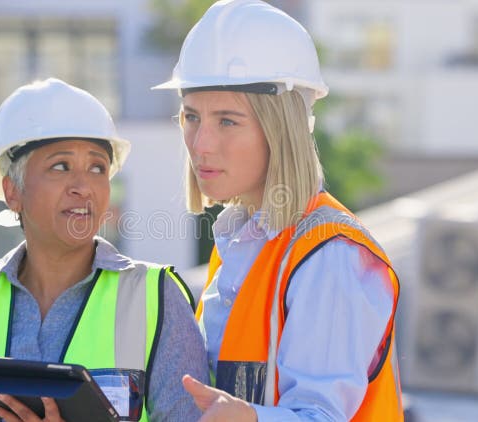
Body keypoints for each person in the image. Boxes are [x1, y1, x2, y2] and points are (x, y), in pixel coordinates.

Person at [0, 78, 209, 422]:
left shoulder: (156, 298)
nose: (83, 187)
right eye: (60, 166)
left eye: (97, 168)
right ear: (12, 191)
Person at [152, 0, 403, 420]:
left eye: (228, 121)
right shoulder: (237, 245)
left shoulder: (329, 257)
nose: (201, 144)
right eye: (192, 117)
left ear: (281, 128)